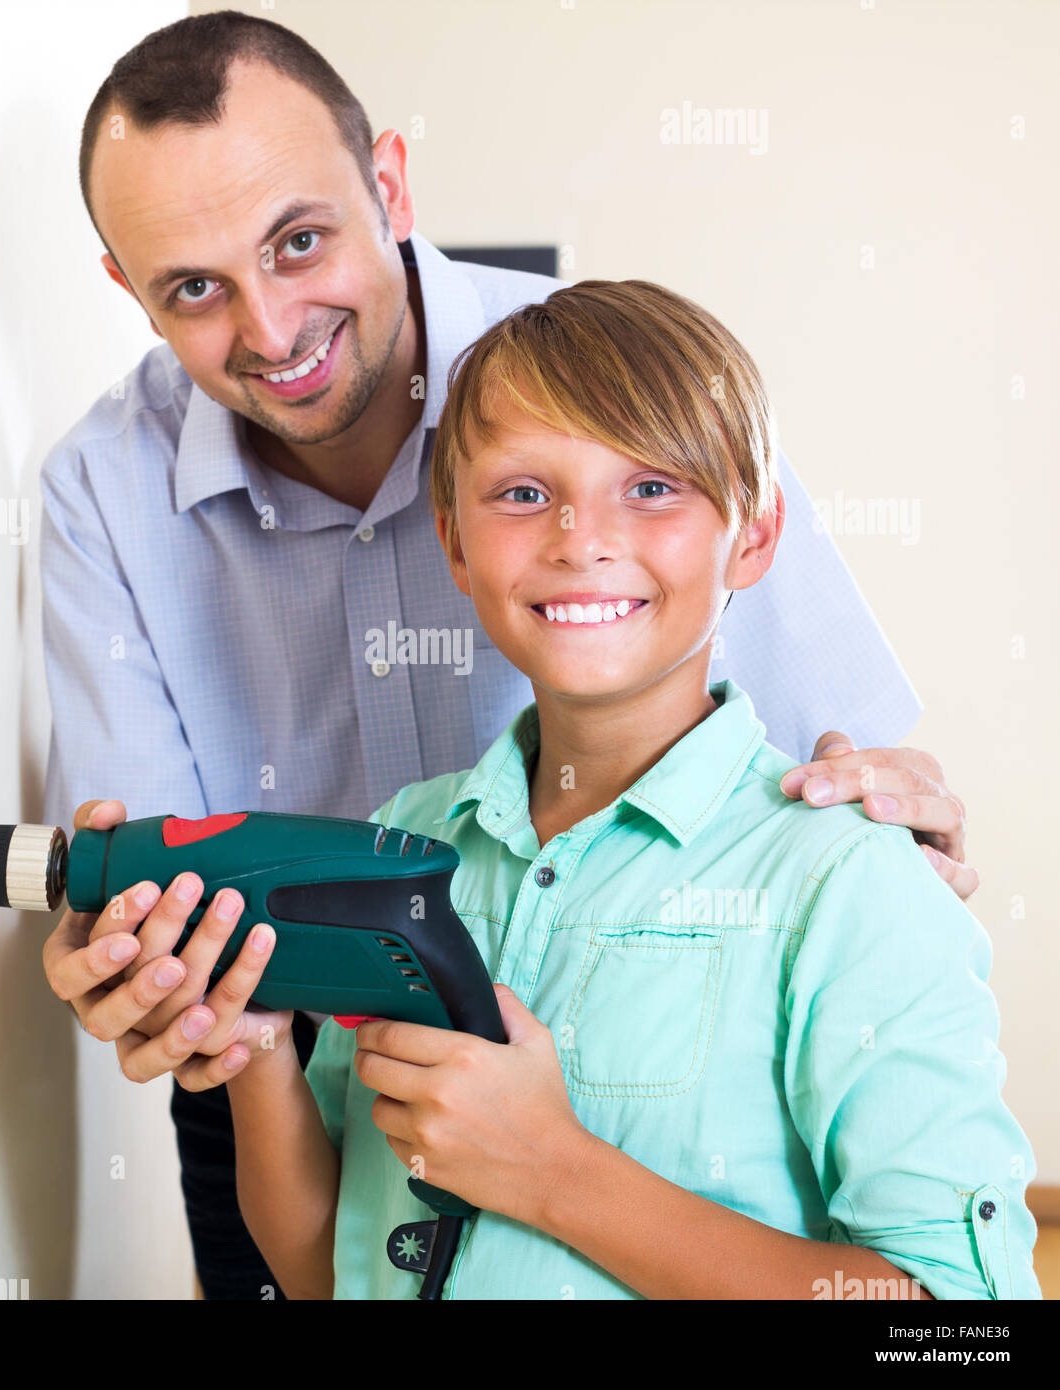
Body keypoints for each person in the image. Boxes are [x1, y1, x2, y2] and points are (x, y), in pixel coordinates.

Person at [39, 10, 977, 1301]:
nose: (267, 327)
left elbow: (848, 801)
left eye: (298, 241)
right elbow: (147, 899)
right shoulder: (101, 486)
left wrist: (894, 836)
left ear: (389, 185)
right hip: (316, 1029)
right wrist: (150, 966)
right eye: (193, 288)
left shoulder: (620, 379)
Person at [227, 278, 1041, 1300]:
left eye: (652, 487)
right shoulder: (402, 839)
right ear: (454, 543)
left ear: (751, 534)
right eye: (523, 493)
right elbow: (329, 1267)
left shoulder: (849, 880)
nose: (579, 536)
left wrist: (554, 1173)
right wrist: (250, 1043)